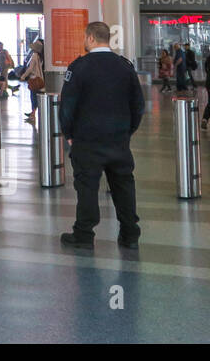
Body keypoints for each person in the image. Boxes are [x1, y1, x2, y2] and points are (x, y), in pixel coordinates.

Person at [59, 21, 145, 251]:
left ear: (90, 38)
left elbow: (67, 105)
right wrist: (128, 131)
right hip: (118, 139)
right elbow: (138, 104)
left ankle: (84, 235)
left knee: (87, 187)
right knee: (124, 185)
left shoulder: (79, 67)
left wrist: (69, 133)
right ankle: (130, 234)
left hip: (87, 139)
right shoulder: (125, 67)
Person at [23, 39, 45, 125]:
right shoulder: (40, 56)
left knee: (33, 97)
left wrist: (23, 76)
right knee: (36, 97)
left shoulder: (35, 55)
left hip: (34, 79)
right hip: (39, 79)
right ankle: (32, 113)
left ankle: (32, 115)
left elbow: (30, 68)